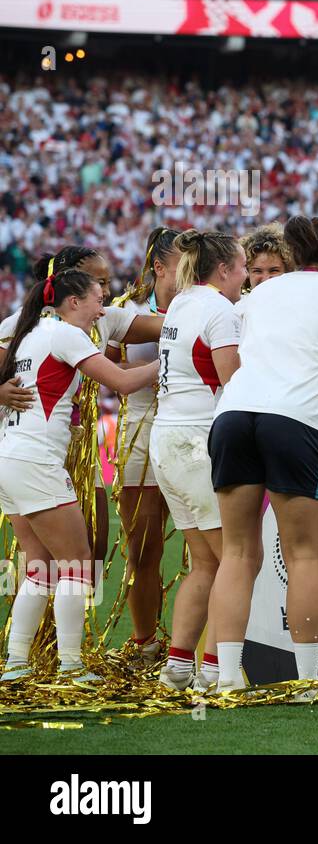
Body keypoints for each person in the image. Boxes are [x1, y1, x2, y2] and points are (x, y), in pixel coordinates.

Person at [206, 216, 318, 695]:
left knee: (237, 553)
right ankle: (306, 679)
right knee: (303, 553)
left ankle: (226, 679)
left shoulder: (258, 294)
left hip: (233, 415)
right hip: (291, 423)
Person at [0, 268, 160, 682]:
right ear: (73, 302)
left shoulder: (29, 331)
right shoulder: (65, 333)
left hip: (10, 457)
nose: (101, 308)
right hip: (36, 460)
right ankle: (71, 667)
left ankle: (16, 664)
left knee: (40, 565)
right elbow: (122, 383)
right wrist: (167, 362)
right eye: (96, 299)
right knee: (77, 564)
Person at [150, 231, 245, 690]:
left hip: (166, 437)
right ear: (224, 270)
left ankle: (178, 666)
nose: (246, 278)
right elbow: (234, 380)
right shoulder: (219, 310)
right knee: (235, 559)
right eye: (243, 268)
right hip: (197, 438)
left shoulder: (184, 301)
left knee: (204, 562)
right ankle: (213, 670)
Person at [110, 226, 181, 661]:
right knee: (143, 546)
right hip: (140, 429)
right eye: (182, 266)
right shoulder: (126, 309)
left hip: (196, 427)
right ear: (159, 267)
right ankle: (146, 642)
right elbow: (108, 369)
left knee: (210, 542)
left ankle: (205, 645)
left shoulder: (208, 304)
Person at [241, 225, 294, 290]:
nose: (266, 279)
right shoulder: (240, 300)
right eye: (257, 271)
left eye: (274, 270)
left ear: (287, 271)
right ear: (247, 273)